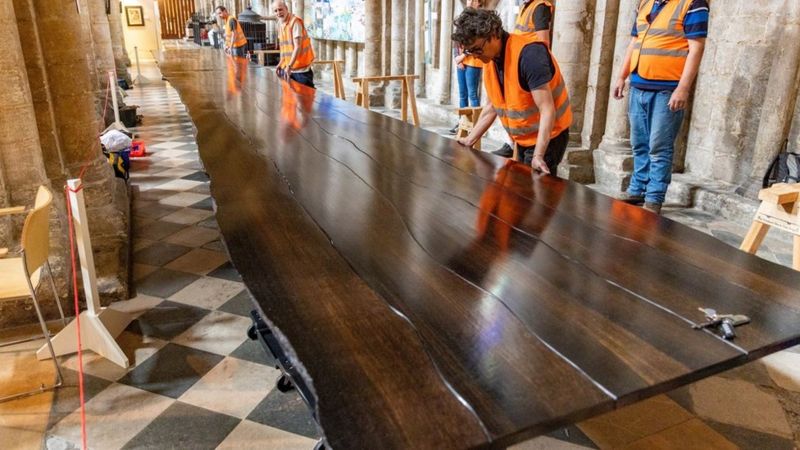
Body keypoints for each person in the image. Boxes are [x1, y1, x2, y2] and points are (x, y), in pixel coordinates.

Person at [613, 0, 709, 214]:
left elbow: (696, 48)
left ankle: (654, 197)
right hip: (638, 85)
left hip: (667, 88)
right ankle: (637, 189)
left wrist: (683, 88)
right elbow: (634, 42)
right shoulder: (645, 3)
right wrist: (622, 76)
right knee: (638, 143)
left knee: (659, 146)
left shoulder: (693, 4)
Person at [454, 9, 572, 175]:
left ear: (494, 33)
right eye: (469, 51)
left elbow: (547, 110)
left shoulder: (530, 55)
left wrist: (538, 156)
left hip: (549, 135)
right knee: (521, 188)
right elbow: (492, 106)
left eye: (477, 49)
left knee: (536, 191)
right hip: (524, 138)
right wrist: (470, 140)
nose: (475, 56)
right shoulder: (490, 58)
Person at [493, 0, 554, 157]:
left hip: (530, 64)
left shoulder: (539, 7)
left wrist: (535, 65)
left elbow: (543, 41)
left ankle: (528, 145)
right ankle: (512, 141)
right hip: (518, 60)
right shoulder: (525, 7)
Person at [449, 0, 485, 135]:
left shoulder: (480, 15)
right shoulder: (464, 14)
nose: (469, 1)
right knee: (462, 94)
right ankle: (462, 124)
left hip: (473, 62)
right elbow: (457, 39)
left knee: (472, 94)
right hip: (461, 61)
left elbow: (477, 41)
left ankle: (476, 127)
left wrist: (462, 56)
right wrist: (457, 59)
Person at [273, 1, 316, 88]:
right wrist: (281, 63)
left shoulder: (295, 22)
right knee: (291, 98)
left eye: (280, 9)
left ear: (286, 9)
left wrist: (289, 66)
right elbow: (284, 48)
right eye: (276, 11)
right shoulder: (280, 24)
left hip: (301, 70)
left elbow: (297, 47)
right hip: (290, 69)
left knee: (306, 98)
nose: (278, 13)